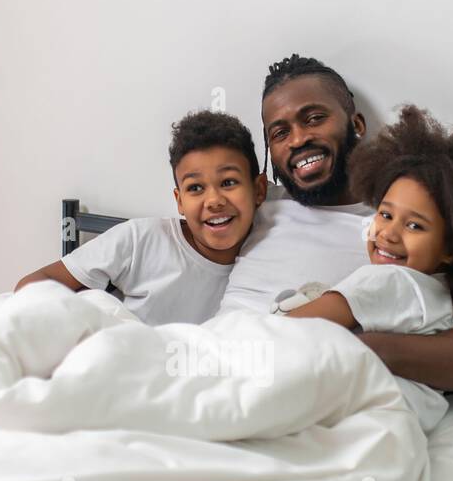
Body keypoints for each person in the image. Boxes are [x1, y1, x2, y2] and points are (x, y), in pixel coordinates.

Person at [220, 54, 453, 390]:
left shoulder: (399, 232)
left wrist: (360, 351)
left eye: (314, 118)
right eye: (279, 133)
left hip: (284, 380)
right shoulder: (256, 204)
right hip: (209, 362)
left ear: (356, 125)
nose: (298, 139)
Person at [275, 105, 453, 432]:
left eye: (414, 225)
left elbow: (282, 335)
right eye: (384, 215)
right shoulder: (427, 297)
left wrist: (369, 350)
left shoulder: (390, 282)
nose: (388, 233)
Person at [15, 110, 266, 325]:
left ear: (259, 190)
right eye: (195, 188)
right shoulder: (141, 240)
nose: (214, 201)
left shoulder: (271, 261)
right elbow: (34, 285)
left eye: (229, 182)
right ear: (179, 201)